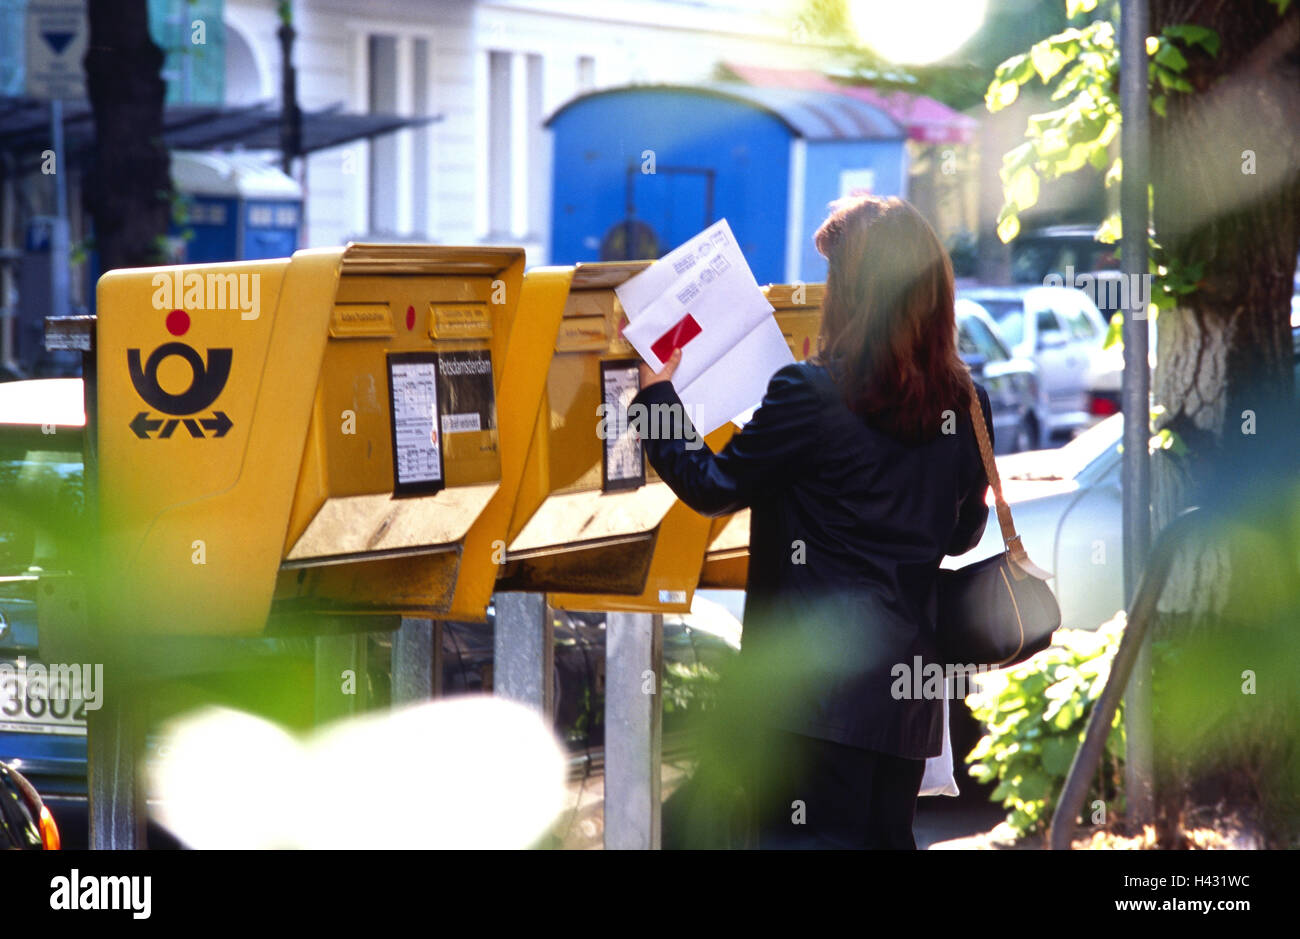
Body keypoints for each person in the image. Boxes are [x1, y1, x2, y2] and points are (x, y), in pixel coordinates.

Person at [633, 195, 994, 849]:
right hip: (905, 696)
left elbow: (713, 486)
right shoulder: (967, 400)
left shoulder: (812, 393)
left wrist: (658, 396)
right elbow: (960, 534)